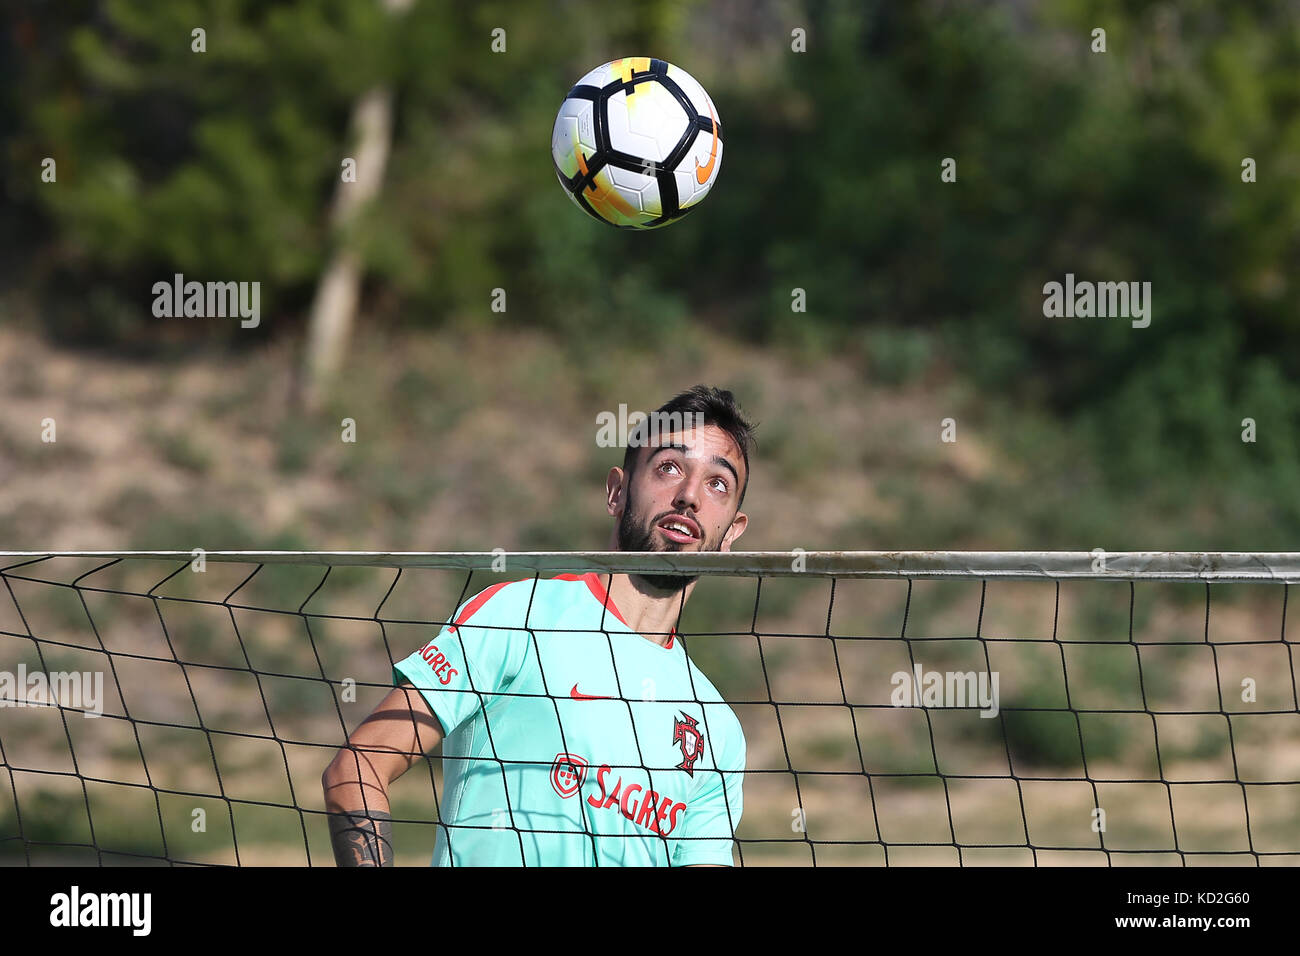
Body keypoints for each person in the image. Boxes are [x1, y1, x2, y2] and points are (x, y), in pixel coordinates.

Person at [322, 385, 755, 866]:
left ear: (731, 531)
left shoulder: (716, 728)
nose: (690, 495)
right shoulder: (520, 617)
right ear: (616, 491)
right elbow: (357, 768)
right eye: (669, 467)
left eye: (718, 482)